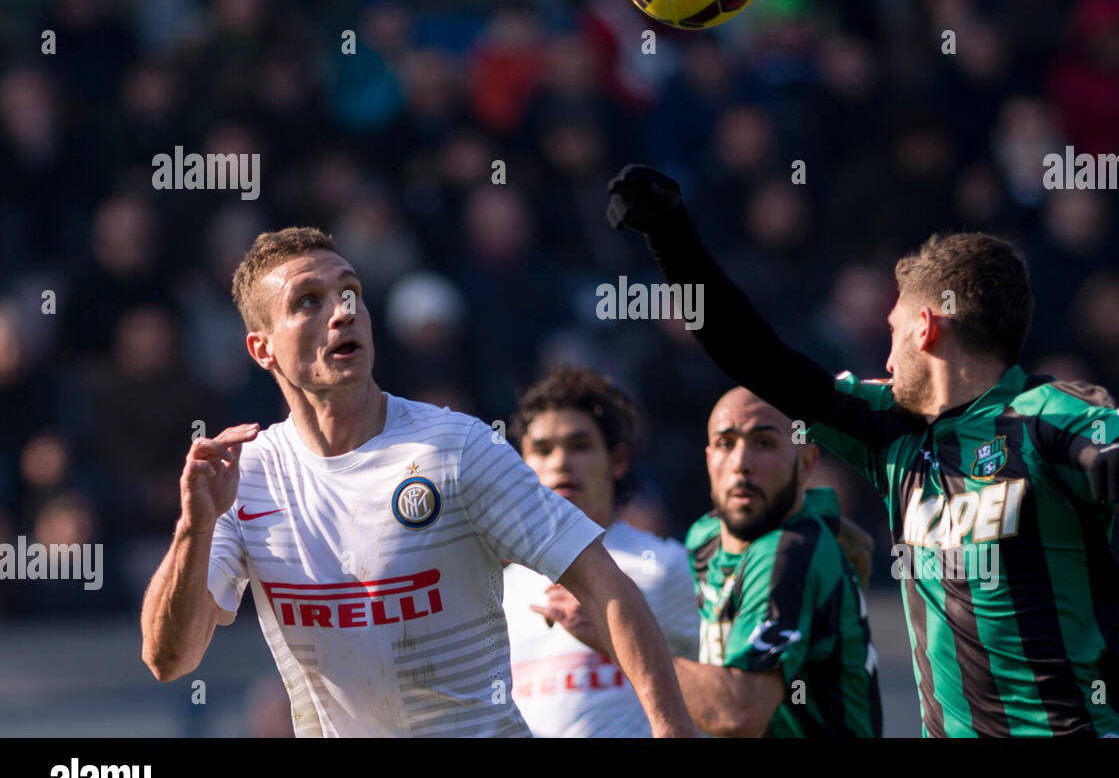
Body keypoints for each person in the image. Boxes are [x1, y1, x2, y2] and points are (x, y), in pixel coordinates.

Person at [607, 164, 1119, 738]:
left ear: (925, 329)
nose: (884, 358)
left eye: (892, 330)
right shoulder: (888, 429)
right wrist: (670, 234)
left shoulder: (1044, 410)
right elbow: (756, 357)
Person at [140, 226, 695, 738]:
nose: (342, 311)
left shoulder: (456, 447)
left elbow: (607, 585)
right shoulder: (248, 479)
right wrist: (196, 528)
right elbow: (171, 659)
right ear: (262, 349)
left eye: (350, 291)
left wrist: (672, 732)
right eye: (308, 300)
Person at [544, 385, 883, 738]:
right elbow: (854, 541)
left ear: (807, 463)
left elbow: (738, 712)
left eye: (764, 443)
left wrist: (612, 631)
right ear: (709, 460)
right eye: (726, 443)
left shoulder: (788, 554)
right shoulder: (706, 535)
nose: (741, 463)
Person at [502, 366, 699, 737]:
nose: (561, 463)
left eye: (580, 446)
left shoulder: (667, 567)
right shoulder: (499, 592)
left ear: (619, 460)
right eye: (543, 450)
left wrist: (611, 637)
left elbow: (729, 704)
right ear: (522, 467)